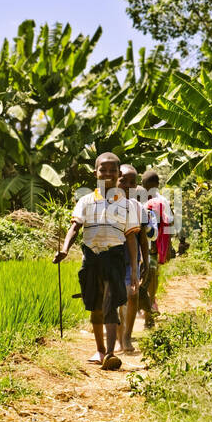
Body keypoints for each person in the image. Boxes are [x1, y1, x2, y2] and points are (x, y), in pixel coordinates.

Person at [53, 152, 140, 371]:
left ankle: (111, 353)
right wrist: (65, 249)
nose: (108, 174)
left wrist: (136, 270)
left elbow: (130, 237)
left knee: (110, 301)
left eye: (112, 170)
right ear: (95, 173)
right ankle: (100, 350)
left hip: (115, 256)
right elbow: (75, 227)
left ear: (118, 174)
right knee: (95, 304)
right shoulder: (85, 201)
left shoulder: (127, 205)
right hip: (91, 256)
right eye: (103, 169)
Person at [116, 164, 151, 353]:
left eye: (132, 182)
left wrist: (145, 261)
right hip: (112, 260)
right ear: (115, 180)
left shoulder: (139, 208)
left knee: (132, 295)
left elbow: (143, 239)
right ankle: (119, 337)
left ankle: (127, 336)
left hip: (131, 260)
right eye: (123, 181)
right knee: (115, 300)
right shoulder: (106, 206)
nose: (128, 186)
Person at [141, 170, 174, 323]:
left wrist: (167, 247)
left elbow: (169, 224)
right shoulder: (140, 199)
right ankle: (146, 304)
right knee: (146, 275)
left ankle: (150, 305)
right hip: (145, 245)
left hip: (153, 247)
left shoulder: (161, 201)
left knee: (151, 275)